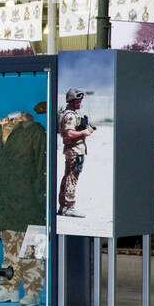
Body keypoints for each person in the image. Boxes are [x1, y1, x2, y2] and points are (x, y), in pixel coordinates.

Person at [57, 88, 94, 217]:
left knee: (68, 177)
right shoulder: (70, 115)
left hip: (74, 150)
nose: (80, 102)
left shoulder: (70, 114)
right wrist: (84, 132)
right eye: (78, 100)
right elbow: (69, 133)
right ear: (72, 101)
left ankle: (63, 206)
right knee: (72, 178)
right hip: (75, 150)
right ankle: (69, 206)